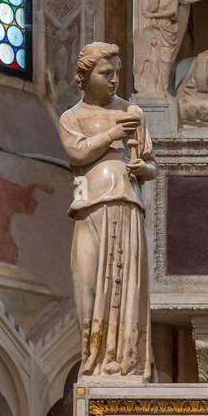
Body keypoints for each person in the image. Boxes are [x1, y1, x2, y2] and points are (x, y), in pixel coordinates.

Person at [59, 42, 155, 379]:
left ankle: (124, 358)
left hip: (127, 205)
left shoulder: (133, 112)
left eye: (117, 73)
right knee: (86, 284)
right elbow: (78, 154)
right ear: (85, 77)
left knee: (127, 284)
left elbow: (151, 164)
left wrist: (144, 169)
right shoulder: (71, 118)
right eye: (106, 73)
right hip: (89, 207)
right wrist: (113, 133)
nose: (114, 80)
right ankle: (94, 356)